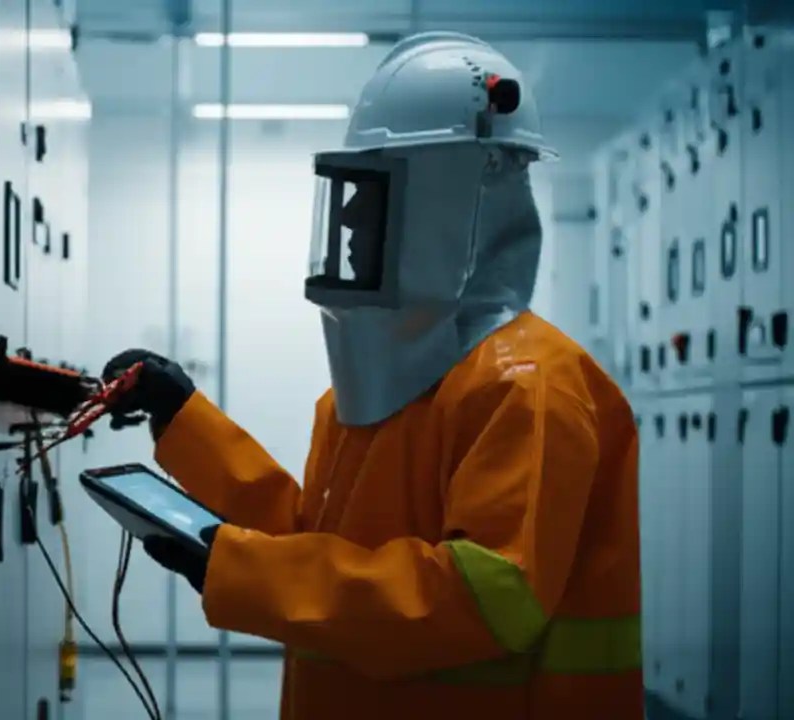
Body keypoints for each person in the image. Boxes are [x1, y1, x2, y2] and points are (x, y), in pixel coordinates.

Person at [102, 32, 641, 720]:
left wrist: (239, 570)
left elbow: (480, 601)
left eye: (378, 192)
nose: (352, 218)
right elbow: (317, 545)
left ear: (455, 204)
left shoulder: (530, 386)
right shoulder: (383, 382)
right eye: (353, 190)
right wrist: (185, 421)